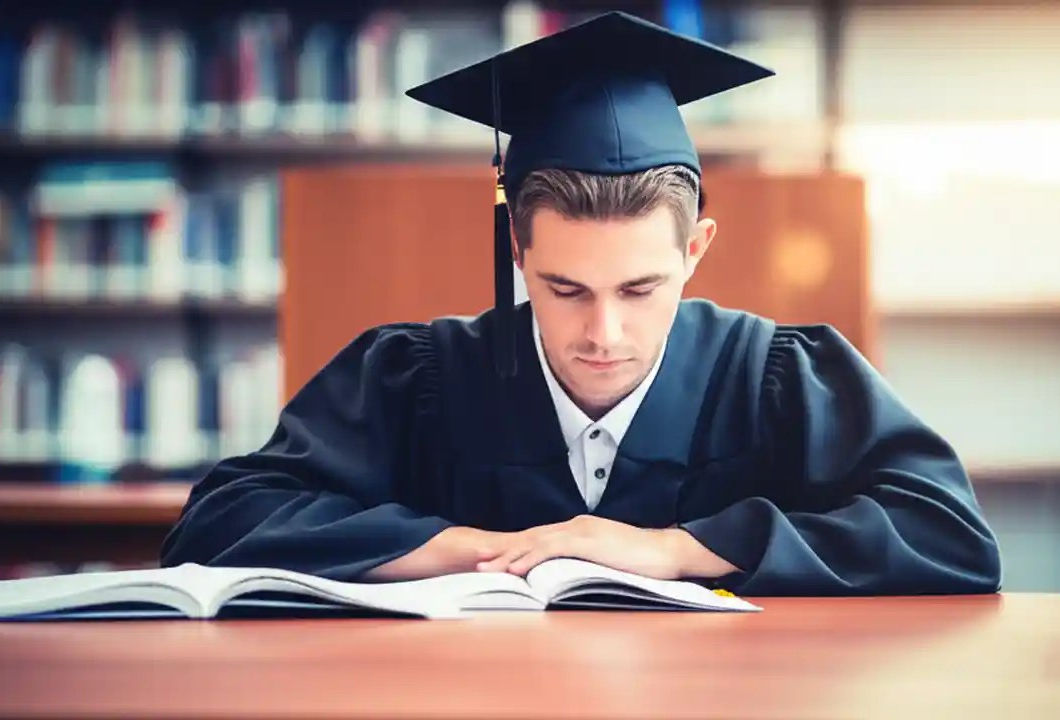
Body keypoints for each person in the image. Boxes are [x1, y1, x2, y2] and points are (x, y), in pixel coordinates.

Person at [160, 12, 1002, 596]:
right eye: (564, 289)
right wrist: (445, 548)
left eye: (641, 288)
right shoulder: (419, 375)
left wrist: (674, 551)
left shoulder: (773, 375)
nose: (604, 333)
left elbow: (946, 535)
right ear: (518, 251)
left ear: (696, 251)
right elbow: (220, 522)